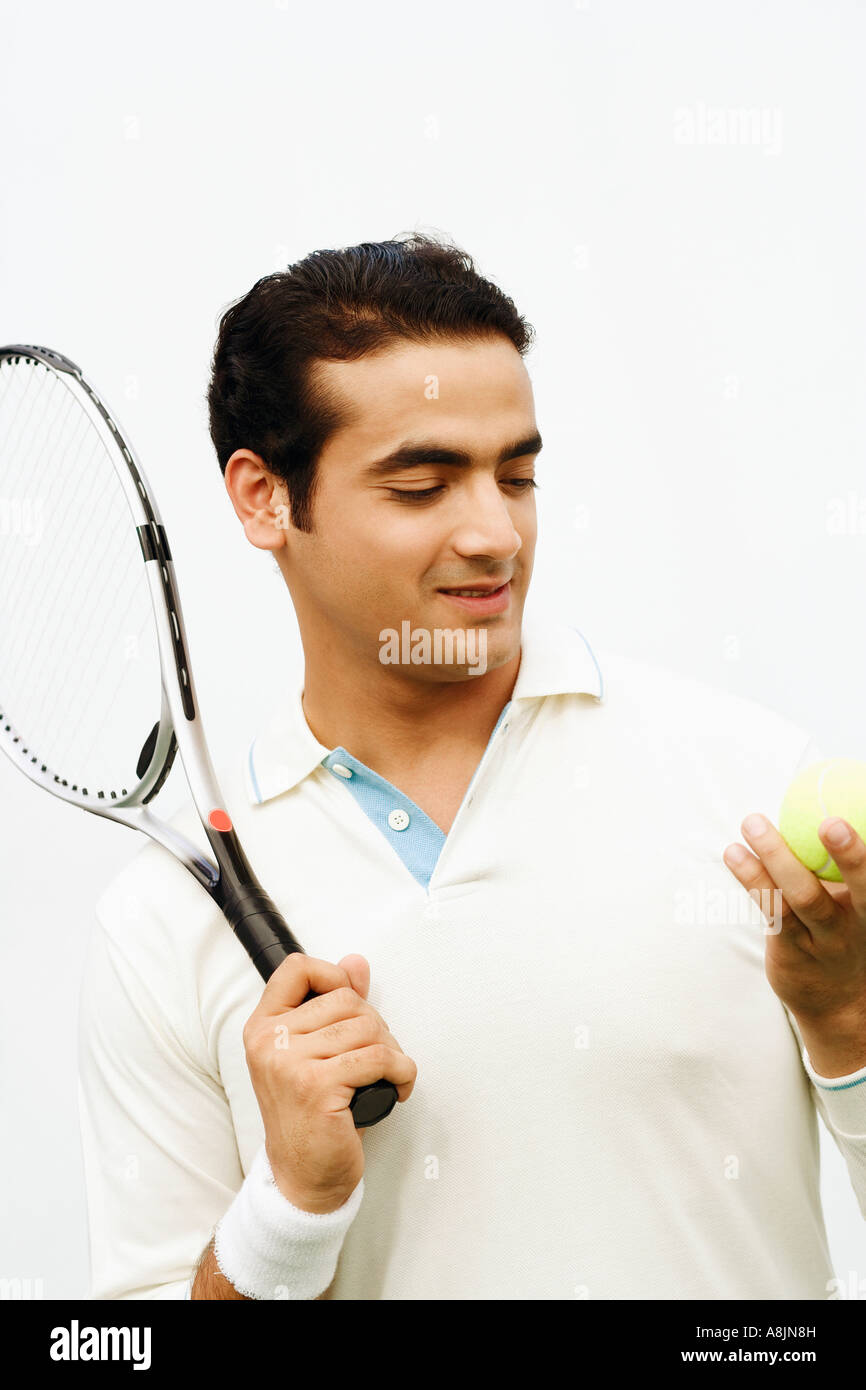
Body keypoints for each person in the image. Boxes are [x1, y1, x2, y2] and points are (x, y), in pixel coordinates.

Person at [78, 233, 866, 1301]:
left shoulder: (749, 786)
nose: (494, 533)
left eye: (517, 473)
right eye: (421, 485)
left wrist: (843, 1024)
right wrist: (290, 1207)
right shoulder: (160, 927)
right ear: (264, 497)